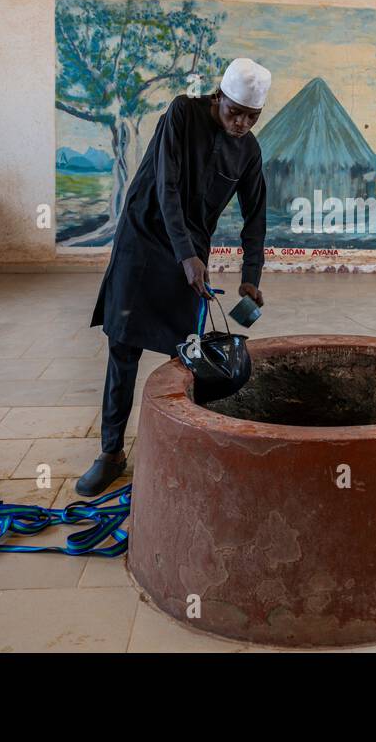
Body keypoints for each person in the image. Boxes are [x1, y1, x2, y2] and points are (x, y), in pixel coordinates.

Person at [76, 58, 271, 496]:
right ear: (217, 98)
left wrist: (251, 276)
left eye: (251, 117)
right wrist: (186, 256)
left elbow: (255, 216)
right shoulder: (182, 114)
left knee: (188, 354)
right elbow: (166, 185)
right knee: (123, 345)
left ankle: (184, 446)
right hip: (144, 238)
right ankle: (110, 452)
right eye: (233, 112)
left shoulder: (249, 151)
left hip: (190, 255)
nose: (240, 123)